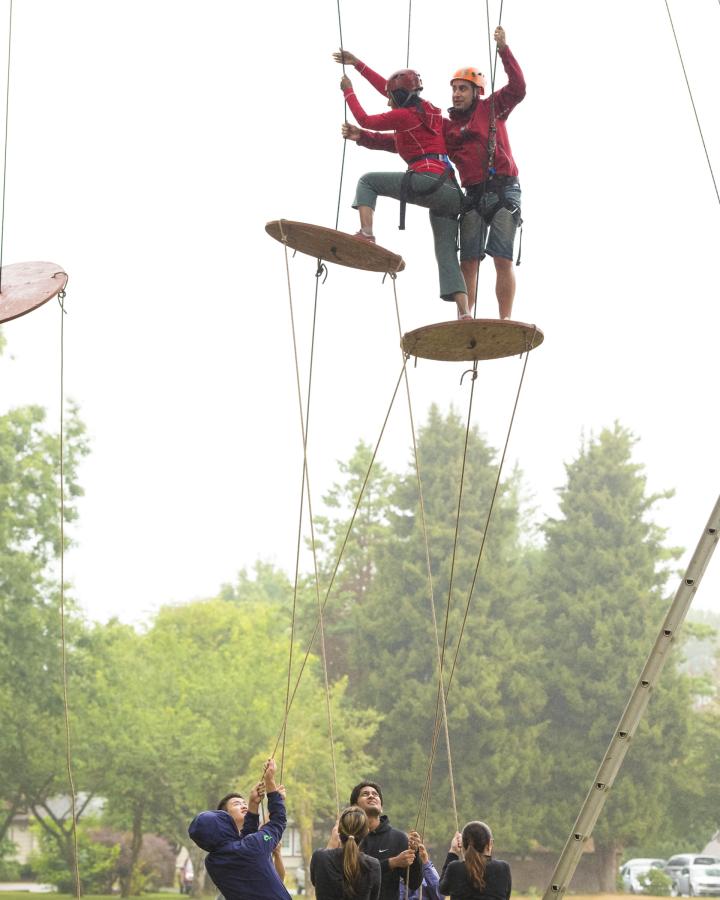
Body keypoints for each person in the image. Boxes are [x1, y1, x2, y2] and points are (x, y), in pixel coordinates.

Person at [334, 50, 472, 320]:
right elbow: (386, 140)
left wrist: (348, 91)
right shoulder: (427, 115)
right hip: (451, 191)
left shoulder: (405, 117)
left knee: (368, 182)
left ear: (397, 98)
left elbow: (366, 119)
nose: (386, 100)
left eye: (390, 97)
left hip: (429, 181)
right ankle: (465, 313)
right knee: (445, 252)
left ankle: (366, 232)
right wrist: (361, 137)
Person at [444, 26, 526, 319]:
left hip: (503, 189)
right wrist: (363, 136)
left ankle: (505, 319)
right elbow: (417, 143)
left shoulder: (492, 108)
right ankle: (465, 316)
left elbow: (518, 88)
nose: (456, 94)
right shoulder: (448, 127)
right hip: (474, 195)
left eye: (462, 88)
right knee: (468, 262)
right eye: (454, 88)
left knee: (502, 258)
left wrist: (504, 49)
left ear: (476, 92)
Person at [188, 758, 291, 900]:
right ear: (226, 824)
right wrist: (270, 784)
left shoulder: (212, 862)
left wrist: (253, 804)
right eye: (236, 804)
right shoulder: (252, 846)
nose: (243, 806)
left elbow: (244, 844)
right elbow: (277, 821)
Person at [346, 780, 423, 900]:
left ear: (381, 807)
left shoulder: (399, 838)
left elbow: (414, 883)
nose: (371, 796)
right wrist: (392, 863)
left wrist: (415, 852)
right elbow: (350, 877)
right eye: (365, 794)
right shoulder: (348, 837)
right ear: (355, 807)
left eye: (375, 794)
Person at [311, 805, 381, 900]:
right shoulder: (373, 865)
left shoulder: (319, 857)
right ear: (366, 831)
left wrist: (331, 844)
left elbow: (316, 881)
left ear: (338, 830)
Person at [217, 788, 286, 884]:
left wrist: (277, 854)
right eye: (236, 804)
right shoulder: (225, 846)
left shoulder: (258, 841)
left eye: (245, 803)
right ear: (224, 815)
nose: (244, 806)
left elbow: (279, 881)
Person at [438, 821, 512, 900]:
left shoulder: (455, 868)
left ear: (463, 845)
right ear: (489, 844)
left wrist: (453, 852)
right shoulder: (503, 868)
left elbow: (443, 890)